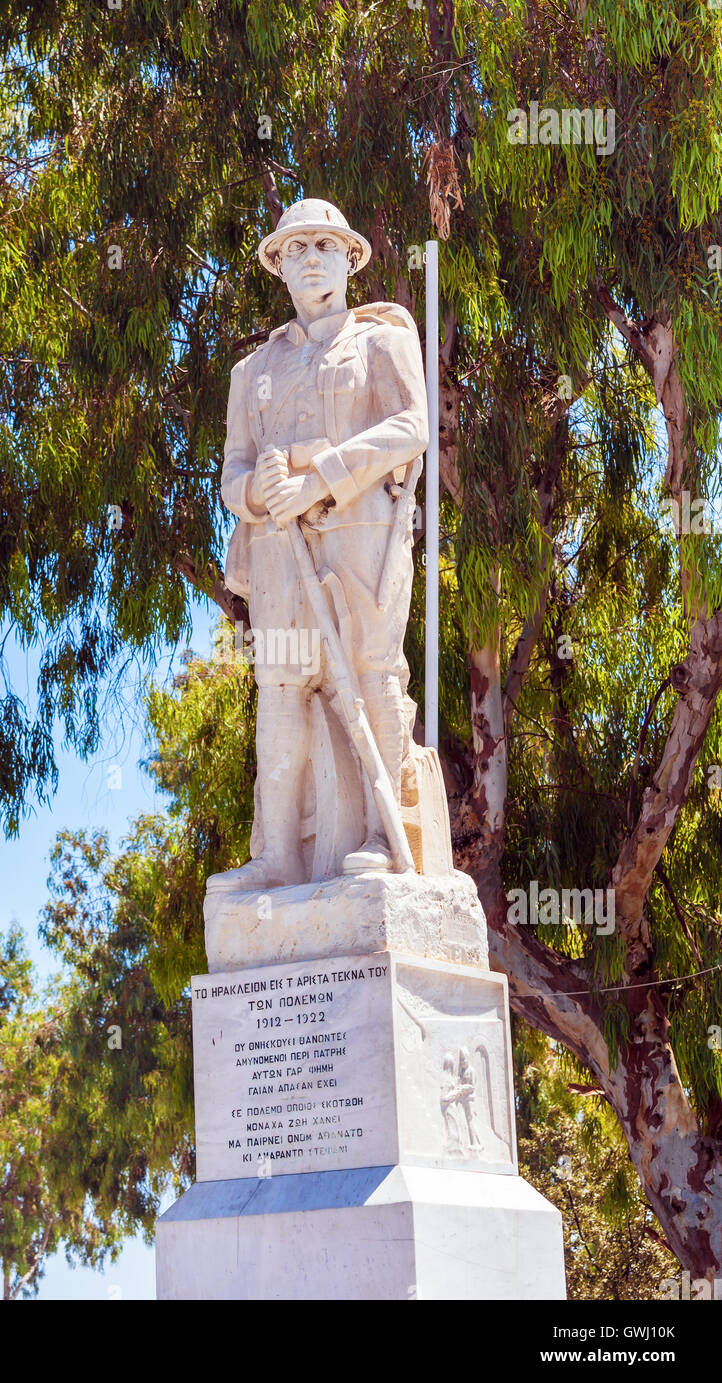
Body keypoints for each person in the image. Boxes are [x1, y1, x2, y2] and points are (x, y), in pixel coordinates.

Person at [211, 199, 429, 890]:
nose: (310, 257)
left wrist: (323, 478)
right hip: (277, 541)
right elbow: (231, 473)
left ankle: (378, 836)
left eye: (323, 246)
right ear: (277, 265)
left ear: (348, 259)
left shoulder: (381, 340)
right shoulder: (251, 372)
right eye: (295, 247)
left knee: (369, 670)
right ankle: (277, 856)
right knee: (279, 684)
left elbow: (410, 428)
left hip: (360, 526)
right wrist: (259, 491)